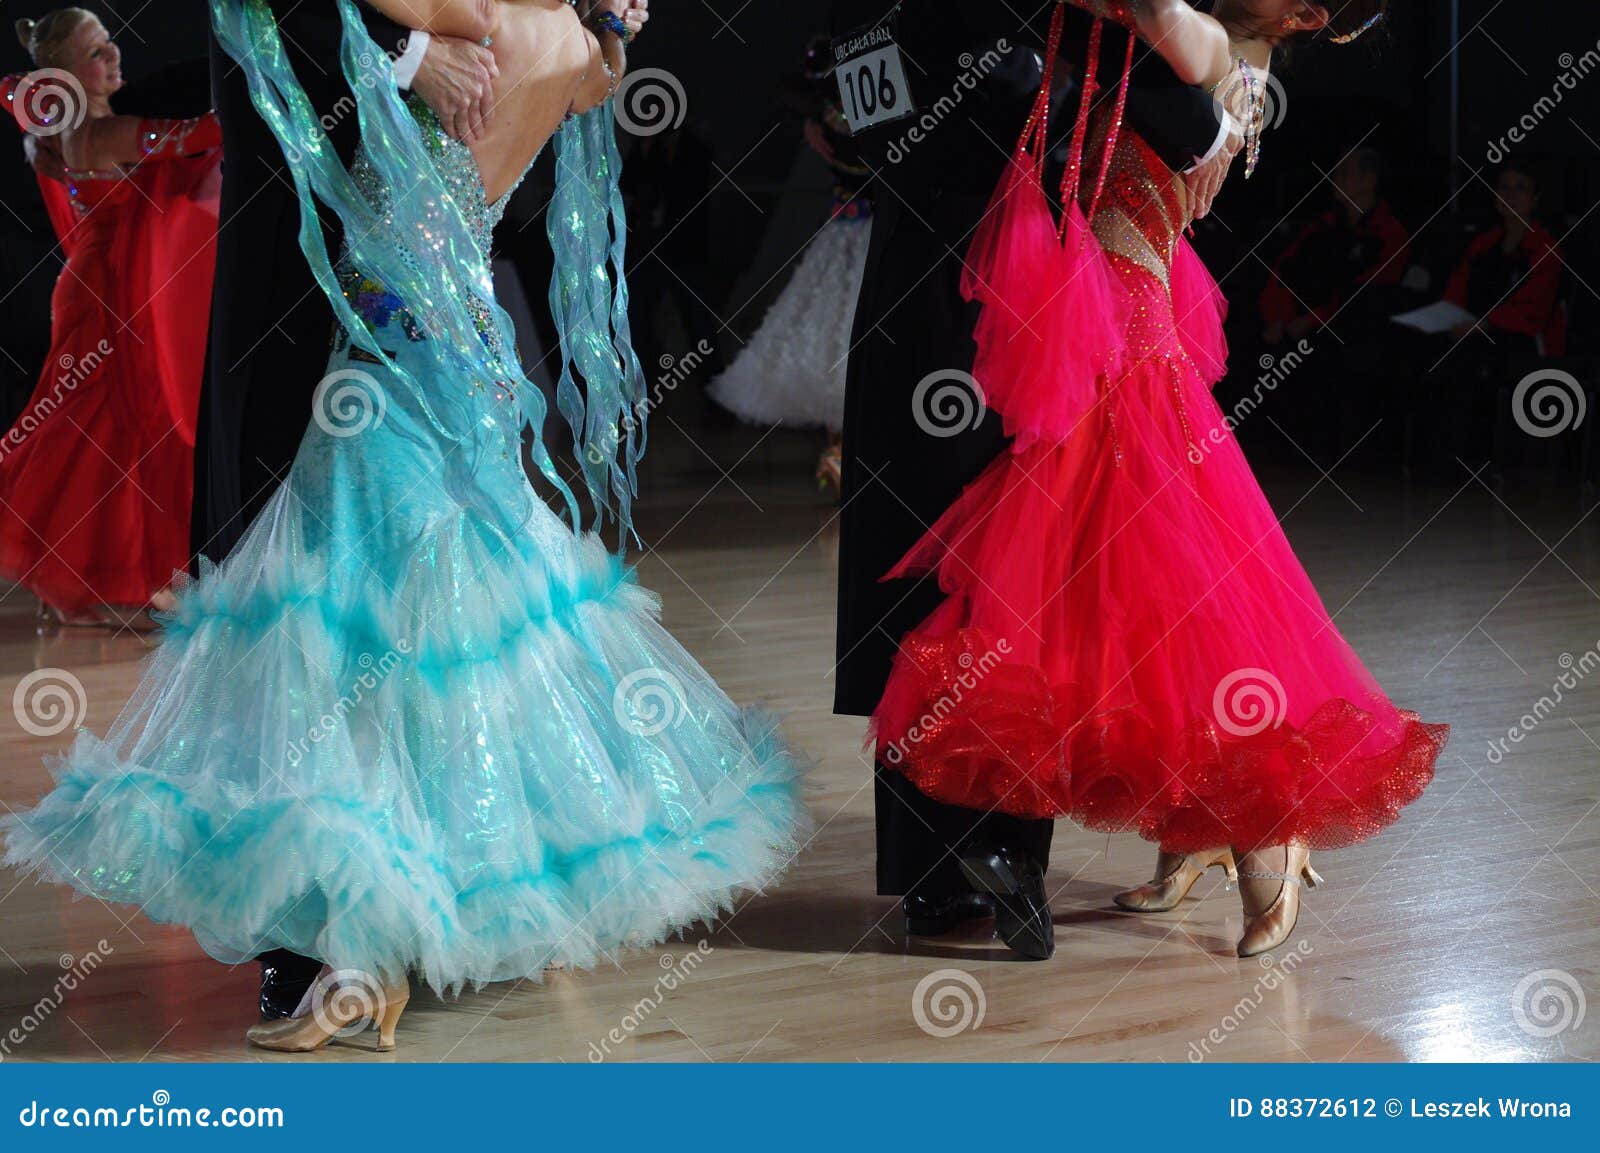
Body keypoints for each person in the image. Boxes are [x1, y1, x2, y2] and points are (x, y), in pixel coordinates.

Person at [5, 0, 808, 1055]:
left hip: (370, 377)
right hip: (461, 369)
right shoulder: (564, 48)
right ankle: (436, 917)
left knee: (344, 640)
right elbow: (580, 74)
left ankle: (356, 952)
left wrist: (412, 44)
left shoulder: (446, 36)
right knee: (461, 633)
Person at [869, 0, 1447, 960]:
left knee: (1175, 581)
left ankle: (1268, 826)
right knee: (1126, 587)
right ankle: (1191, 831)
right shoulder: (1218, 49)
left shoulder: (1220, 47)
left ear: (1306, 16)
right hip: (1108, 311)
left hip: (1122, 323)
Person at [829, 0, 1240, 960]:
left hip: (908, 302)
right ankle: (998, 852)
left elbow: (865, 116)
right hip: (1013, 311)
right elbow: (1179, 115)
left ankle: (935, 874)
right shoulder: (1050, 24)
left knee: (921, 570)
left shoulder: (869, 22)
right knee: (1008, 571)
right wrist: (1219, 116)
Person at [192, 0, 507, 1020]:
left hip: (413, 318)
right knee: (297, 598)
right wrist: (410, 57)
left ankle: (416, 897)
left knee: (420, 598)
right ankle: (311, 923)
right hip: (297, 272)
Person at [0, 10, 222, 628]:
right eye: (97, 53)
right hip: (109, 292)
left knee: (104, 425)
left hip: (101, 285)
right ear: (70, 75)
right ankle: (129, 578)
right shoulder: (99, 135)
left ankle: (101, 577)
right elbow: (197, 134)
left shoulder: (65, 136)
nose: (115, 57)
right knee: (122, 421)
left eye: (109, 43)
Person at [708, 37, 872, 493]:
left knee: (840, 336)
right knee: (835, 337)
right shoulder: (832, 121)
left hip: (855, 232)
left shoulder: (831, 120)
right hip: (853, 232)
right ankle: (839, 452)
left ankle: (845, 452)